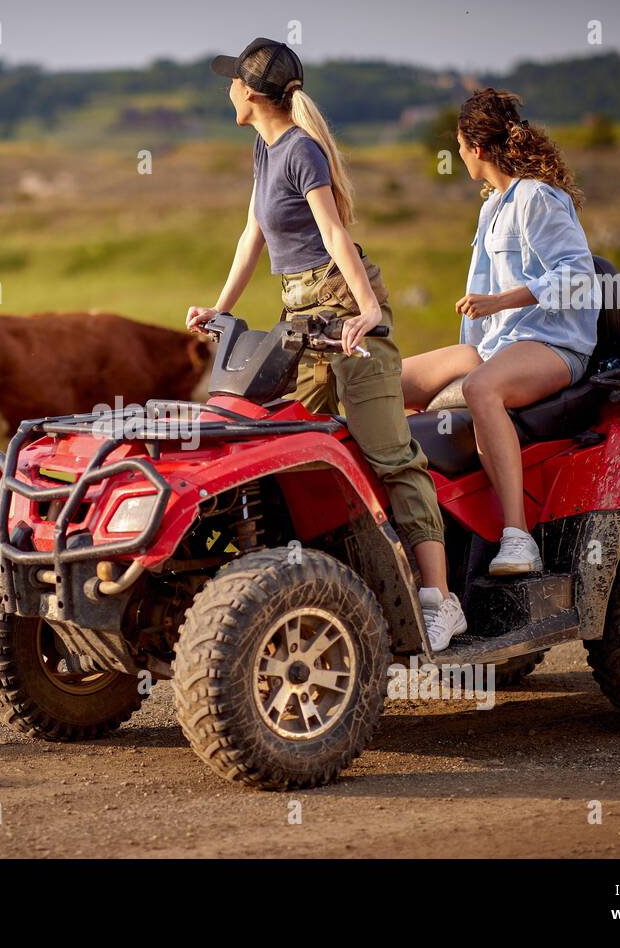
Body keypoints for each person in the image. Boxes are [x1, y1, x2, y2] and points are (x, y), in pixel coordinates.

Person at [185, 38, 466, 651]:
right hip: (299, 314)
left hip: (341, 311)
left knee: (391, 453)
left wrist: (369, 311)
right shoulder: (266, 151)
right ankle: (327, 582)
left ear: (252, 94)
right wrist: (221, 308)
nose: (227, 90)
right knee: (297, 442)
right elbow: (252, 235)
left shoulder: (301, 151)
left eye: (232, 82)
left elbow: (335, 234)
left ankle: (440, 600)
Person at [401, 89, 599, 576]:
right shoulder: (493, 205)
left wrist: (503, 301)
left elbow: (579, 274)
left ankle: (518, 536)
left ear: (478, 148)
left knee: (480, 388)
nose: (461, 155)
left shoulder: (537, 197)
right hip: (499, 345)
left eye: (461, 146)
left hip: (554, 344)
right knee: (390, 384)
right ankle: (426, 519)